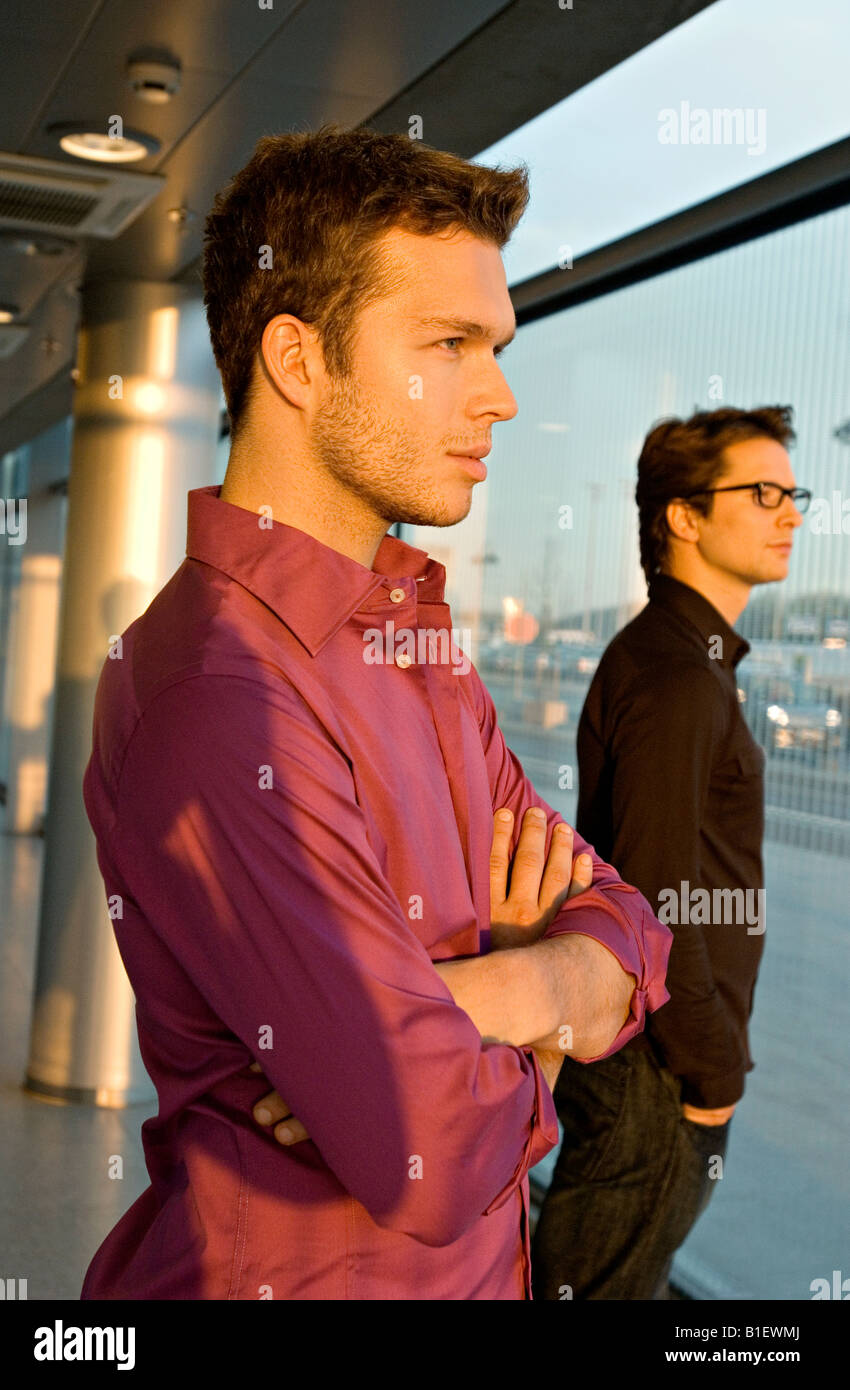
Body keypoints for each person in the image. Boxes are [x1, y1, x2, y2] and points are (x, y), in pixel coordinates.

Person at [80, 124, 670, 1302]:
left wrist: (490, 997)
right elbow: (432, 1142)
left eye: (492, 346)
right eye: (449, 344)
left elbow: (634, 933)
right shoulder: (218, 694)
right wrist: (545, 994)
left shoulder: (413, 637)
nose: (499, 395)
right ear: (298, 361)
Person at [531, 405, 807, 1300]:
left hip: (652, 1058)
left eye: (794, 492)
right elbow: (661, 895)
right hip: (655, 1073)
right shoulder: (676, 675)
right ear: (682, 516)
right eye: (763, 492)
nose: (792, 512)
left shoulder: (684, 659)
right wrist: (711, 1065)